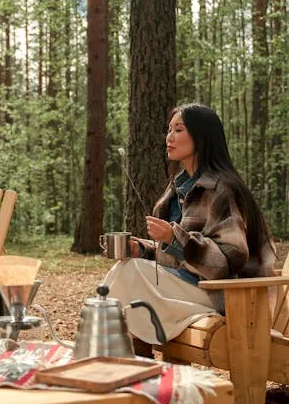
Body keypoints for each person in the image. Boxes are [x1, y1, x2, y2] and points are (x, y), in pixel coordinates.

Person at [104, 103, 276, 351]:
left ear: (201, 136)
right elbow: (180, 256)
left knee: (129, 274)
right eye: (169, 129)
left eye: (179, 129)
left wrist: (174, 238)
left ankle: (121, 353)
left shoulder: (221, 188)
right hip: (187, 287)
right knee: (129, 266)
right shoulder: (180, 187)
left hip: (224, 297)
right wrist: (142, 249)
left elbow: (227, 261)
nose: (169, 137)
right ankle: (130, 355)